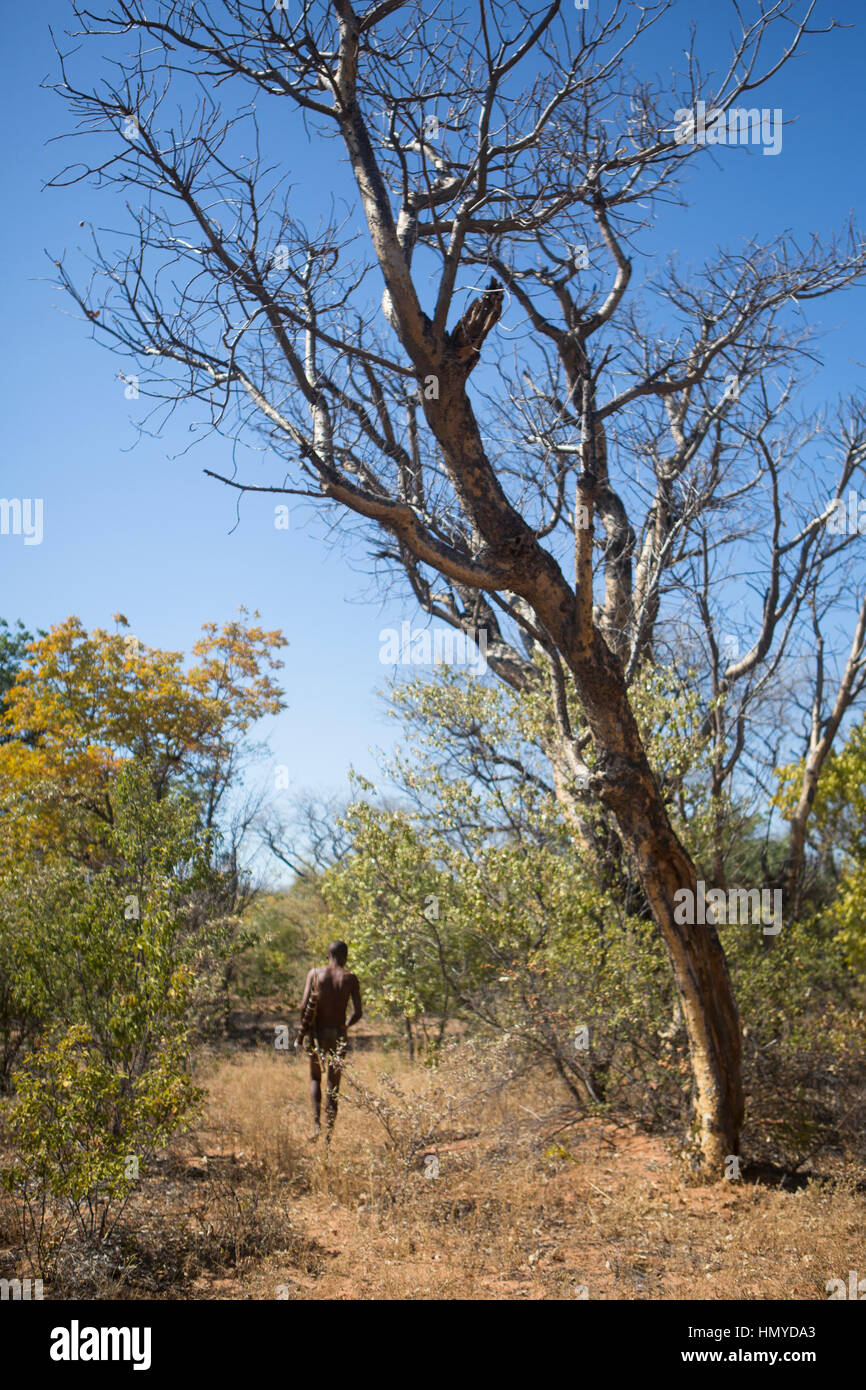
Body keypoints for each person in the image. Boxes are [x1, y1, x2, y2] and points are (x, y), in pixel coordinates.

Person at [295, 941, 362, 1142]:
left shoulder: (315, 974)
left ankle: (316, 1125)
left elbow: (303, 1005)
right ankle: (329, 1135)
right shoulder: (350, 978)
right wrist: (346, 1026)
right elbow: (358, 1013)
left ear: (328, 955)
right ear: (345, 956)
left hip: (317, 1034)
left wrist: (305, 1027)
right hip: (339, 1035)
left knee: (315, 1078)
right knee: (334, 1085)